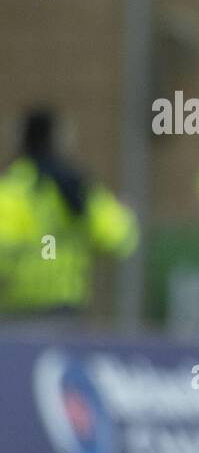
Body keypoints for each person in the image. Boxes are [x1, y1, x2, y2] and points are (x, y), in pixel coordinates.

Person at [0, 106, 137, 315]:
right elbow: (120, 238)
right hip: (65, 311)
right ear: (59, 140)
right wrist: (123, 213)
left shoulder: (10, 189)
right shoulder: (79, 185)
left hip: (15, 311)